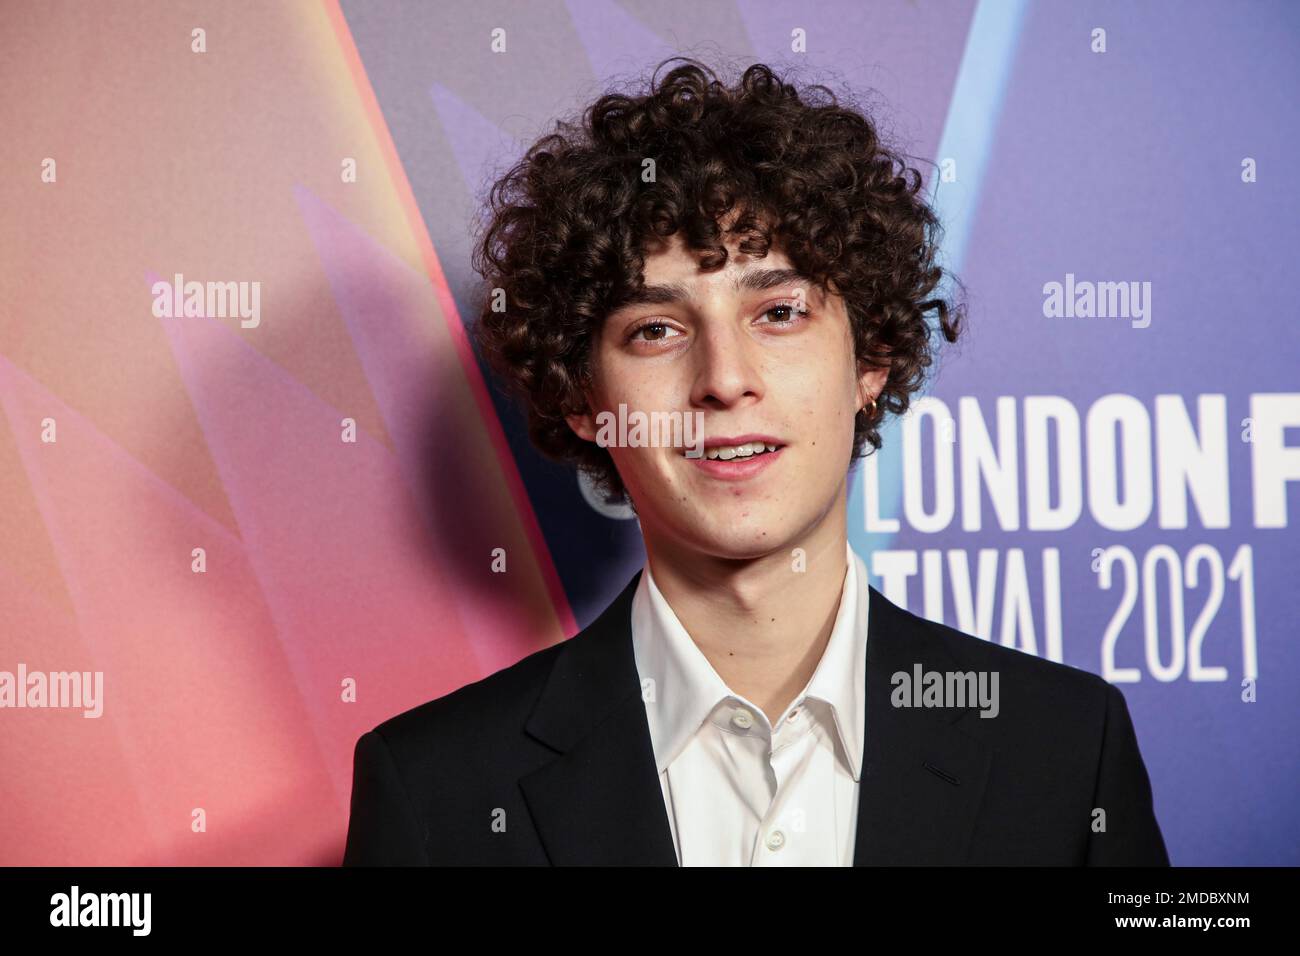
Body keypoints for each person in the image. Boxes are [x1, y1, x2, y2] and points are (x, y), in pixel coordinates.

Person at [342, 57, 1169, 866]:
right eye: (656, 330)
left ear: (871, 358)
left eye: (778, 312)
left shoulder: (1063, 748)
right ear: (583, 398)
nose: (725, 380)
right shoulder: (435, 790)